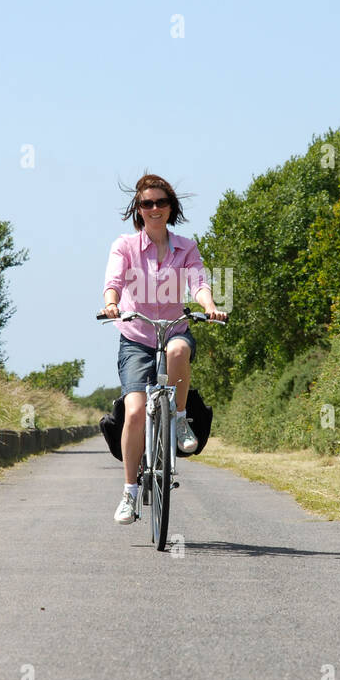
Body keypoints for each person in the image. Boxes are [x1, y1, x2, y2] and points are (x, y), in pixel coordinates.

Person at [101, 172, 227, 524]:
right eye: (147, 203)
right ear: (138, 210)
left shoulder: (185, 247)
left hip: (174, 329)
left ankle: (181, 420)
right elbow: (112, 282)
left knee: (177, 352)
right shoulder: (124, 246)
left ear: (171, 207)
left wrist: (209, 304)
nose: (154, 208)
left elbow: (198, 281)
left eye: (161, 202)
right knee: (136, 410)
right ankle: (129, 492)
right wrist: (111, 303)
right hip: (136, 338)